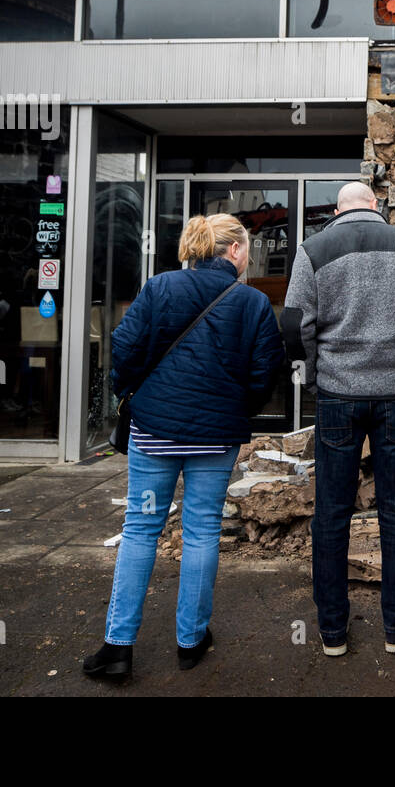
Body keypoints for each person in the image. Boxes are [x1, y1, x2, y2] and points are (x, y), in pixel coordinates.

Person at [83, 213, 285, 680]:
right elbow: (264, 373)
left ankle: (117, 649)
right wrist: (237, 406)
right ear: (232, 251)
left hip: (154, 430)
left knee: (139, 530)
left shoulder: (159, 287)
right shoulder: (252, 302)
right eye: (246, 249)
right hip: (215, 438)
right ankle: (190, 641)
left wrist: (133, 393)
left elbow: (124, 348)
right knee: (200, 532)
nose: (247, 257)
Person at [281, 181, 395, 656]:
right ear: (376, 205)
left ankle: (333, 632)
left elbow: (294, 326)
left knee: (332, 514)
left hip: (337, 396)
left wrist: (314, 379)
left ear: (337, 210)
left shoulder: (312, 249)